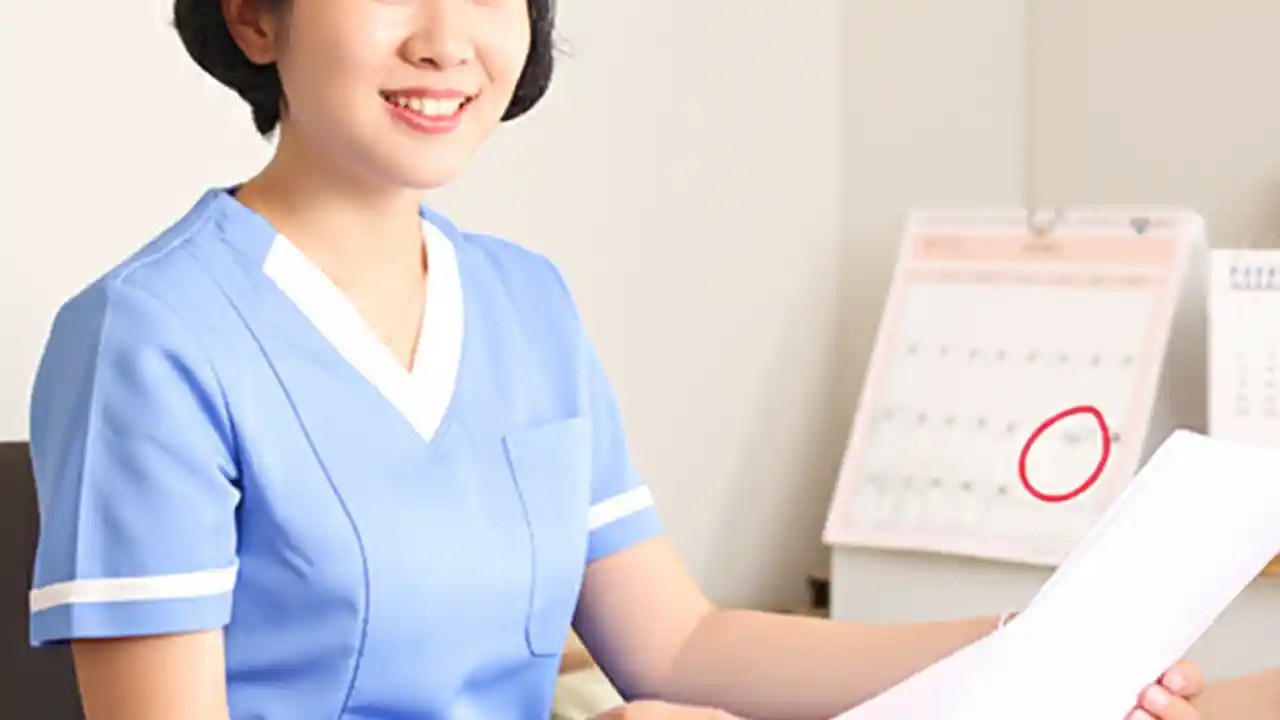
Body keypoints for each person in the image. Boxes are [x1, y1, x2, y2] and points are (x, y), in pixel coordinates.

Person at [23, 1, 1211, 718]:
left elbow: (679, 645)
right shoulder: (152, 333)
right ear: (253, 14)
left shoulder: (526, 303)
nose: (447, 39)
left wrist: (1028, 651)